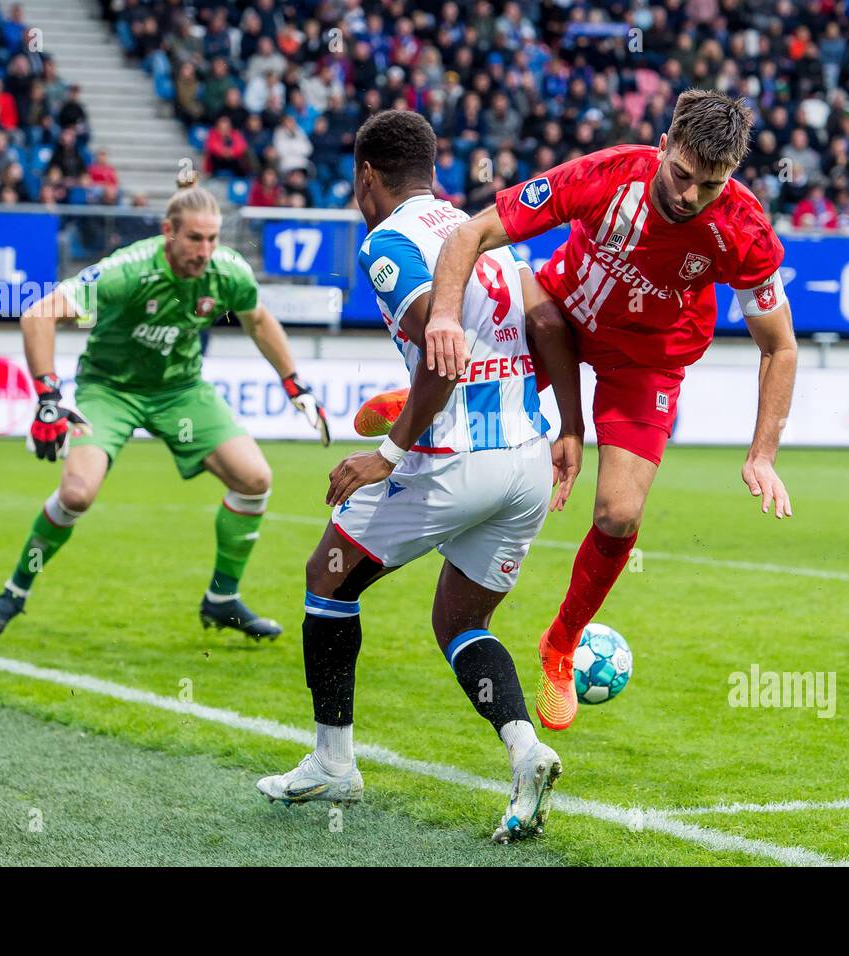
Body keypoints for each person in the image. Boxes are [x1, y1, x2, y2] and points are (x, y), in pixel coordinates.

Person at [254, 111, 584, 842]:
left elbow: (445, 351)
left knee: (328, 573)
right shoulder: (483, 234)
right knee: (460, 622)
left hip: (448, 463)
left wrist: (389, 455)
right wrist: (571, 428)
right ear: (432, 171)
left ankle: (334, 761)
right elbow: (553, 327)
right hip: (526, 462)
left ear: (365, 176)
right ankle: (526, 752)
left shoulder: (390, 242)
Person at [422, 89, 798, 731]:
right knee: (484, 343)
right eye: (681, 174)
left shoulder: (744, 230)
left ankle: (561, 644)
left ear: (730, 177)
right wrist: (446, 318)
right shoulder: (603, 175)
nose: (689, 196)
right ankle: (417, 405)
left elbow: (780, 346)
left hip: (645, 361)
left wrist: (762, 453)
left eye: (709, 185)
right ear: (663, 146)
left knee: (620, 515)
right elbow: (473, 231)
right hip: (559, 316)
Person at [0, 174, 331, 641]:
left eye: (212, 238)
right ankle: (13, 594)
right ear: (168, 232)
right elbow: (39, 314)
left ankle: (222, 598)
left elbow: (258, 320)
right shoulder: (127, 270)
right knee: (78, 493)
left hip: (181, 391)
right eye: (194, 238)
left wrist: (293, 382)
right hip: (110, 390)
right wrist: (48, 397)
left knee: (255, 479)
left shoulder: (228, 271)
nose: (204, 250)